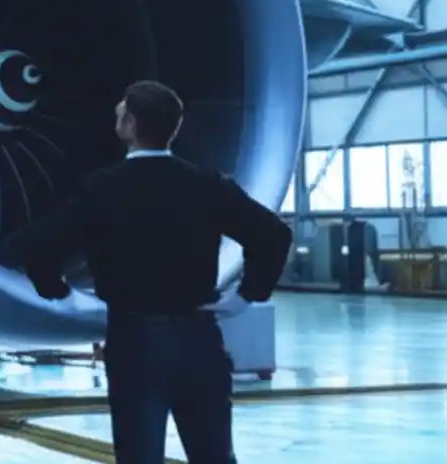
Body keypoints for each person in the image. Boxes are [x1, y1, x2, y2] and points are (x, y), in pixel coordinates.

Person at [20, 80, 292, 464]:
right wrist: (247, 296)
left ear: (130, 124)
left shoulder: (104, 189)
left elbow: (39, 244)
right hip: (200, 336)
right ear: (173, 128)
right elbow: (274, 235)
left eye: (120, 112)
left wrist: (61, 295)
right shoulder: (206, 184)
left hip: (134, 341)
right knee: (213, 455)